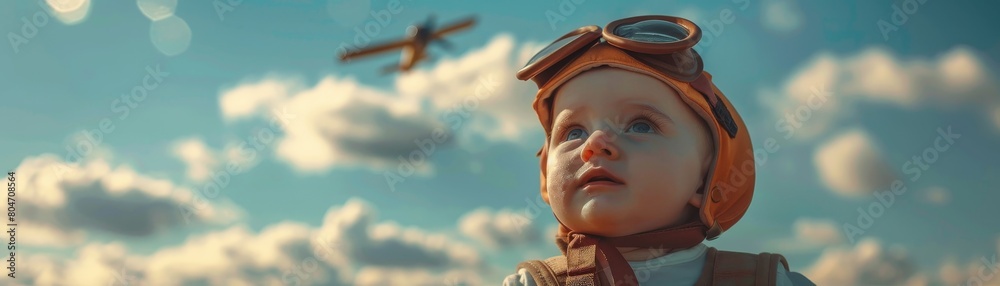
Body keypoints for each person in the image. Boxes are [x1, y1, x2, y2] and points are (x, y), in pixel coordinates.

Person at [503, 15, 816, 285]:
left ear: (707, 177)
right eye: (574, 132)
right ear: (545, 171)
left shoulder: (765, 280)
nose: (595, 143)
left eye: (640, 125)